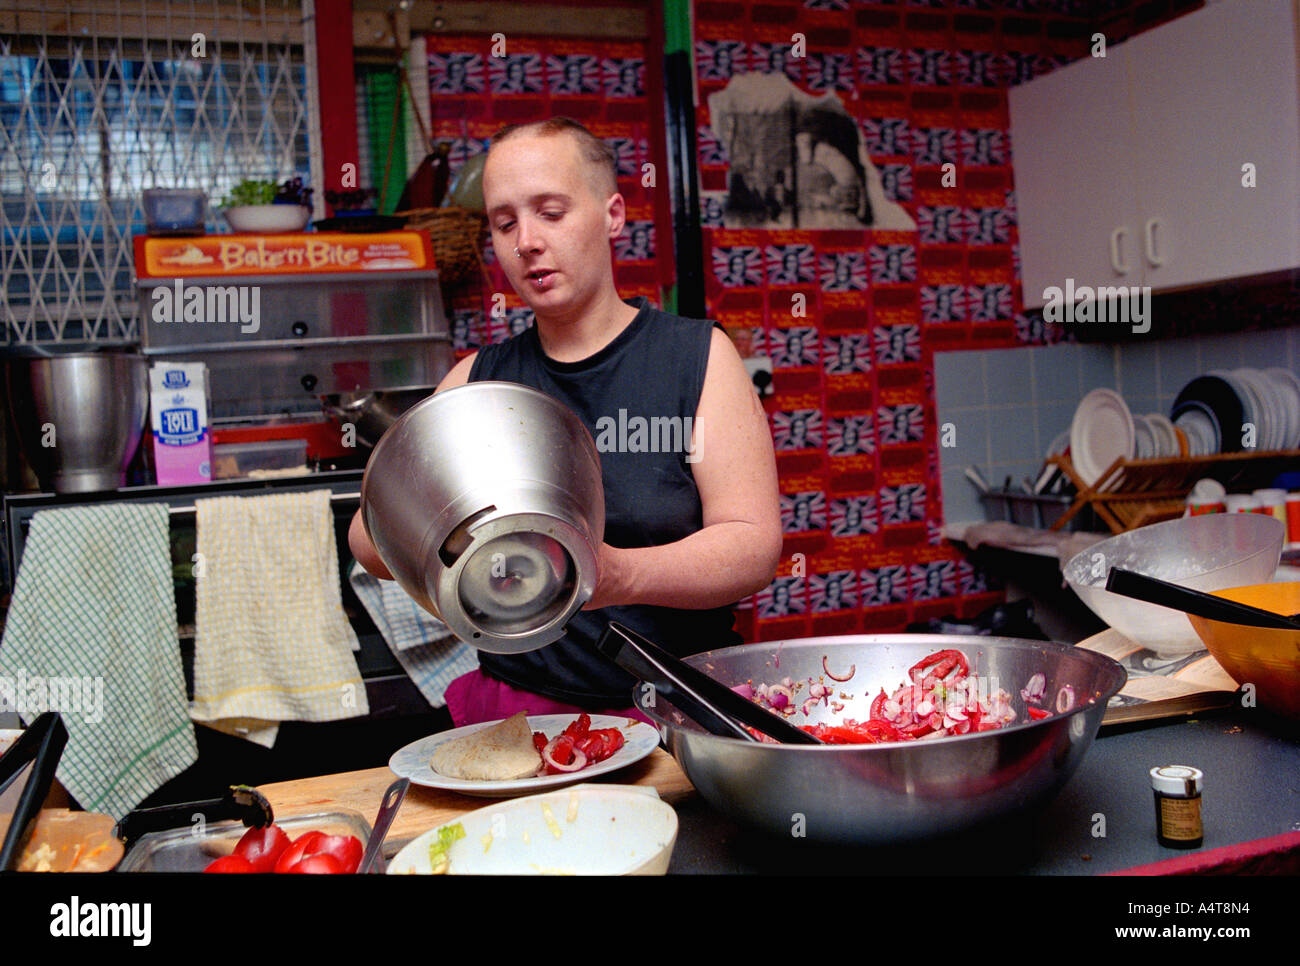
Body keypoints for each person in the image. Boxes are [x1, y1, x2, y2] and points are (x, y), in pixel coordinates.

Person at [349, 117, 781, 727]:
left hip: (681, 716)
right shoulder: (481, 380)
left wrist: (616, 574)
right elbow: (367, 542)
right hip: (523, 722)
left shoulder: (697, 358)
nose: (525, 240)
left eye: (550, 212)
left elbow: (753, 548)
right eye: (504, 223)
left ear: (611, 215)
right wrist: (431, 525)